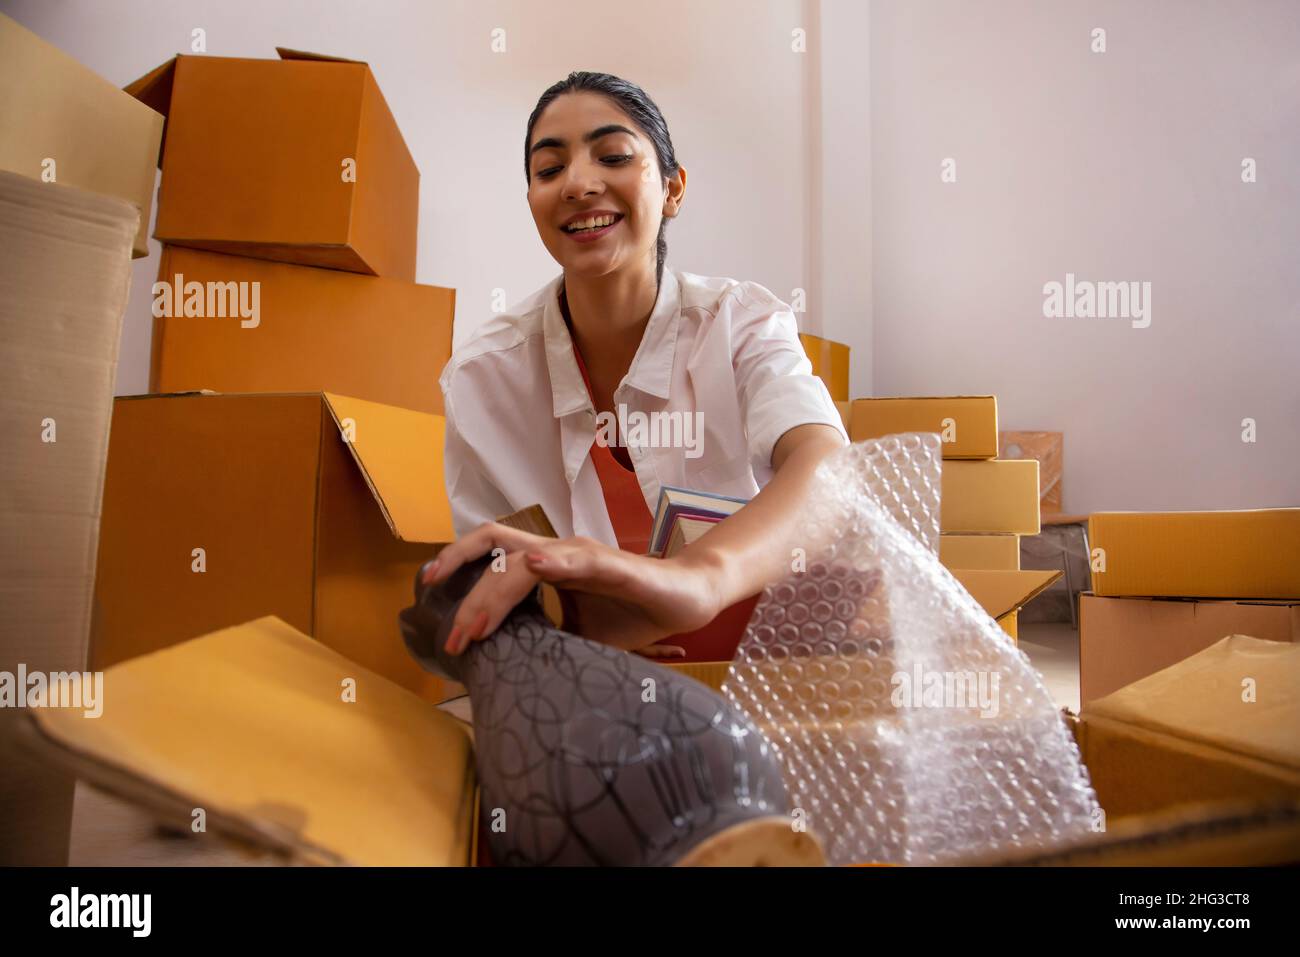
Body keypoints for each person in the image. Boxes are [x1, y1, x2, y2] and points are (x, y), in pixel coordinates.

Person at [424, 70, 847, 660]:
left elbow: (825, 468)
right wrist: (571, 653)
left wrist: (701, 578)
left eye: (613, 155)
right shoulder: (482, 378)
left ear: (673, 189)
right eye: (549, 170)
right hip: (585, 684)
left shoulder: (738, 322)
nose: (577, 183)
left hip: (757, 663)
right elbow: (494, 581)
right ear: (533, 203)